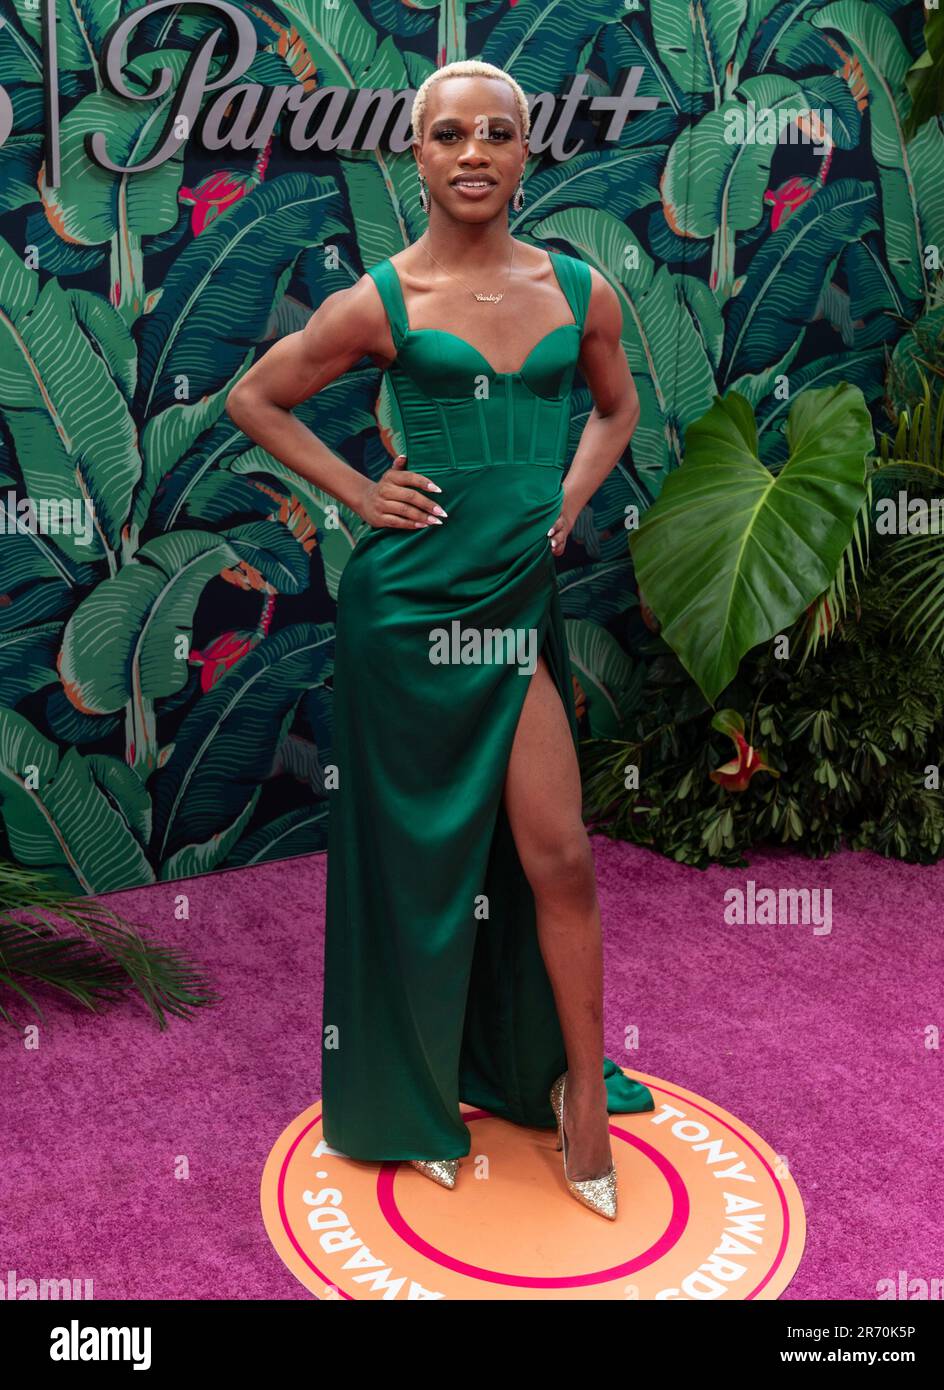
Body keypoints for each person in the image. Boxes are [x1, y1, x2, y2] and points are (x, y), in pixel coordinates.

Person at [227, 59, 653, 1221]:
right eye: (448, 133)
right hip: (408, 615)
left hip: (514, 610)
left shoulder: (579, 291)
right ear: (412, 156)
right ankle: (406, 1102)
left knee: (556, 853)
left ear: (527, 154)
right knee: (419, 872)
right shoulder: (382, 297)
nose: (473, 152)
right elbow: (255, 400)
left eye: (497, 132)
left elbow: (616, 409)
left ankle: (566, 1092)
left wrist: (565, 500)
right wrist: (359, 498)